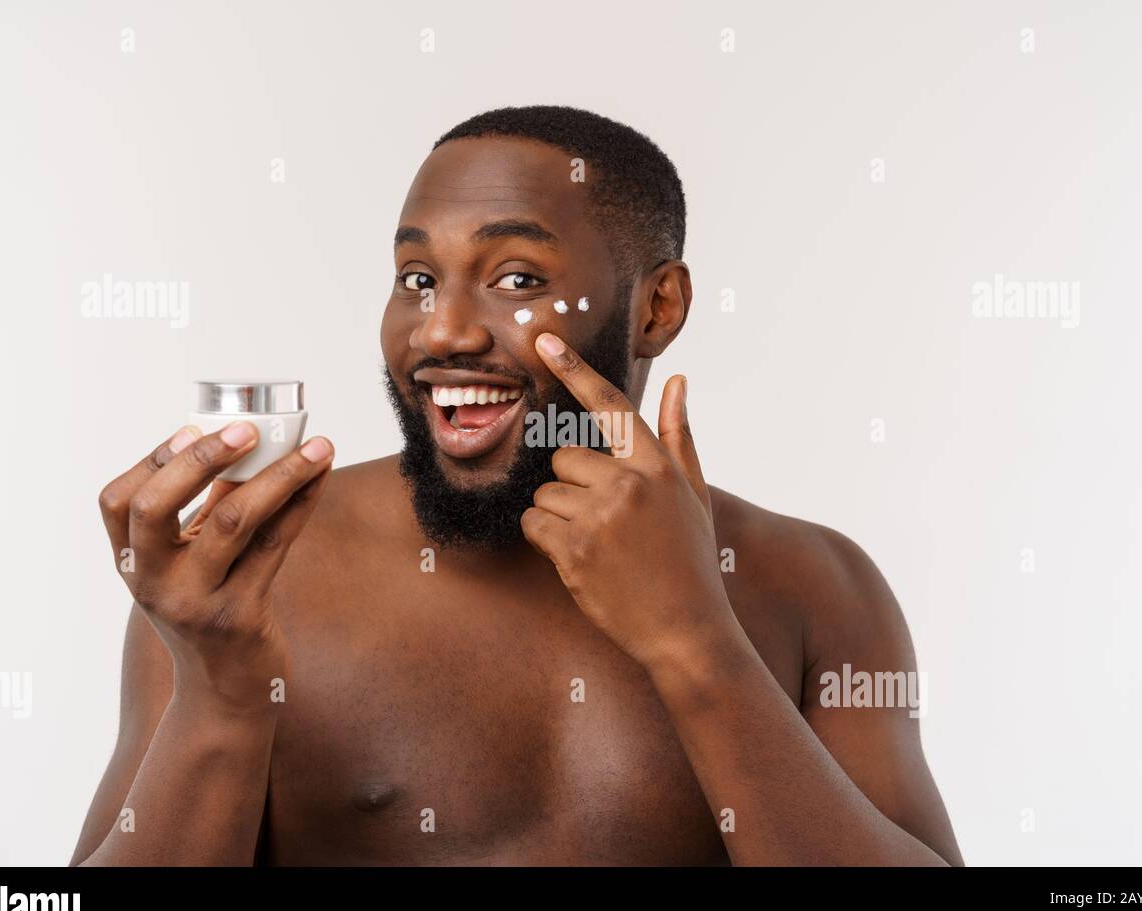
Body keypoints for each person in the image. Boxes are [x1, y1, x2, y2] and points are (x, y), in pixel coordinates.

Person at [72, 105, 963, 866]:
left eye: (516, 280)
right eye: (417, 279)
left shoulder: (813, 584)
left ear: (657, 308)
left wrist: (697, 641)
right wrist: (219, 696)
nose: (442, 332)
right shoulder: (247, 576)